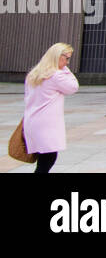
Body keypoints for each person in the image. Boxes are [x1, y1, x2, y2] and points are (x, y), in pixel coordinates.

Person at [23, 43, 79, 173]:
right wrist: (66, 70)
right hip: (46, 123)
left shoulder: (34, 74)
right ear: (58, 56)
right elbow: (73, 87)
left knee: (44, 159)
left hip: (32, 120)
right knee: (48, 159)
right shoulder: (56, 75)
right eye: (67, 58)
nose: (67, 63)